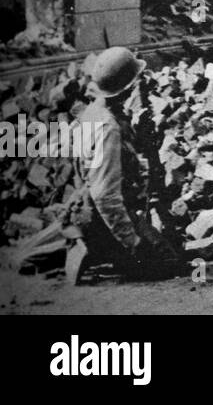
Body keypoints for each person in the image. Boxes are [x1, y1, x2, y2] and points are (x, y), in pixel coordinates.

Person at [73, 46, 183, 280]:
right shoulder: (108, 128)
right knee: (168, 263)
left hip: (95, 210)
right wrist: (133, 243)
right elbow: (105, 195)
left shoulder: (93, 112)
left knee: (169, 252)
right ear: (126, 88)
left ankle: (103, 251)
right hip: (104, 219)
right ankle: (105, 252)